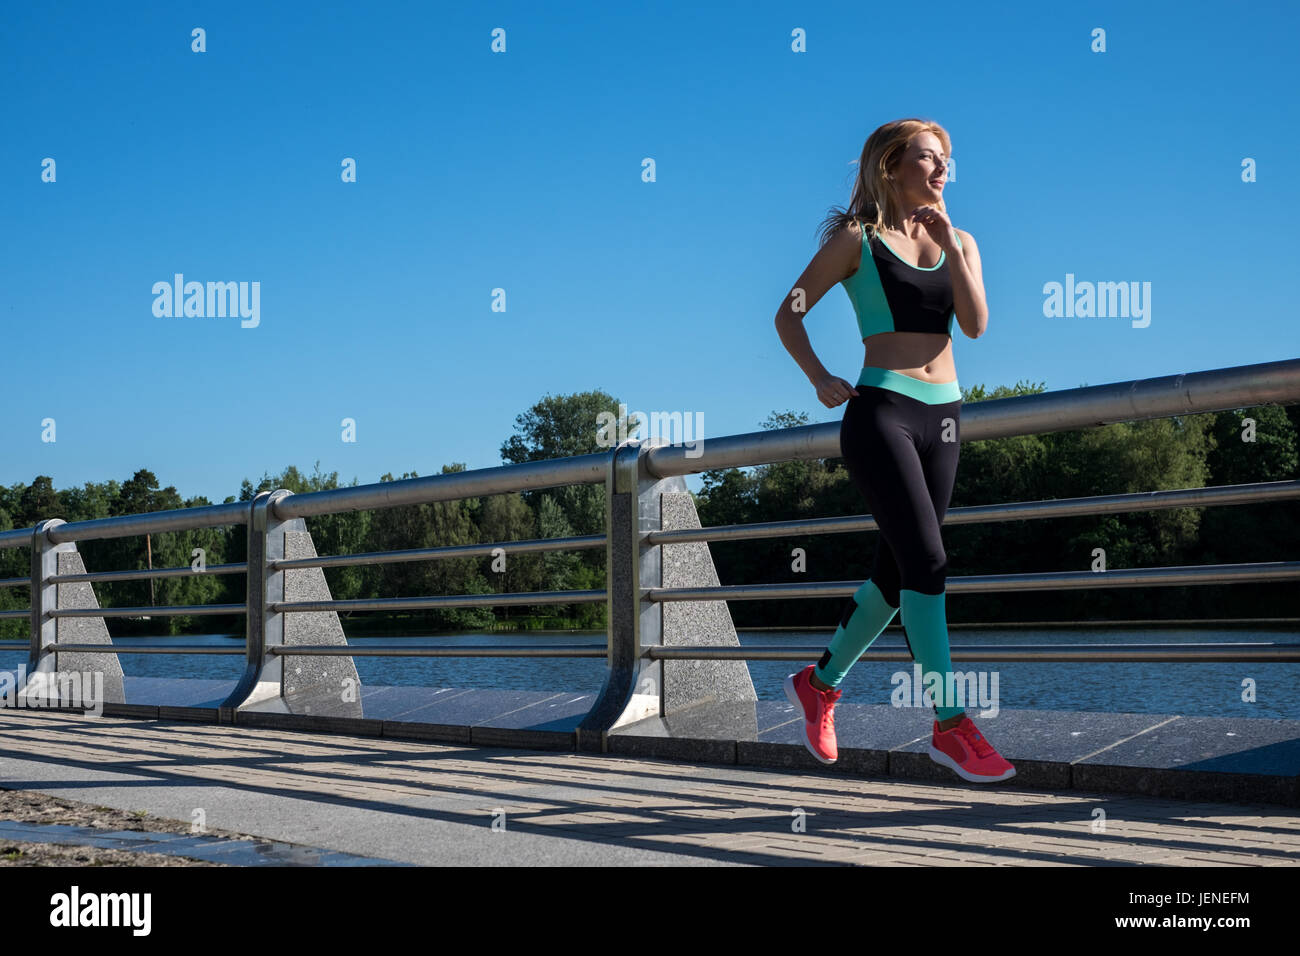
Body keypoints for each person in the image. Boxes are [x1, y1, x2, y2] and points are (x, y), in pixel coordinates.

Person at [773, 117, 1015, 783]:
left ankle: (820, 684)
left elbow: (974, 324)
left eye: (947, 162)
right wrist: (820, 377)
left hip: (945, 418)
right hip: (881, 412)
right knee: (929, 560)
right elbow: (788, 311)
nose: (942, 172)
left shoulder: (961, 239)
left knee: (895, 575)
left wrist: (953, 251)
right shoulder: (858, 239)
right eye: (928, 160)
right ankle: (950, 724)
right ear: (890, 166)